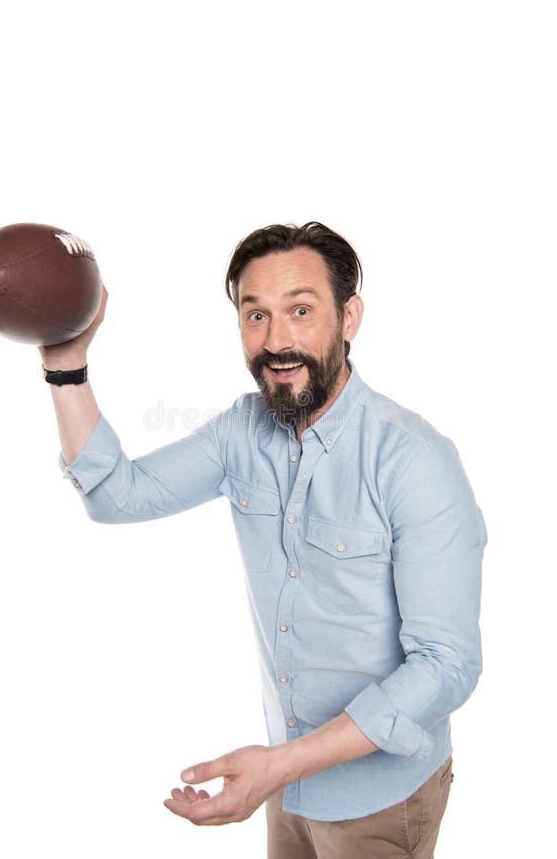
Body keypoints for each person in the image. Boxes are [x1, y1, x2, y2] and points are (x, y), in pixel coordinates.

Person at [40, 222, 487, 859]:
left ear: (349, 317)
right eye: (256, 316)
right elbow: (117, 496)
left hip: (381, 799)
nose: (277, 342)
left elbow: (447, 667)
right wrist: (65, 366)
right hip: (285, 784)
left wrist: (281, 766)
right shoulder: (241, 431)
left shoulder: (415, 461)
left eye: (301, 311)